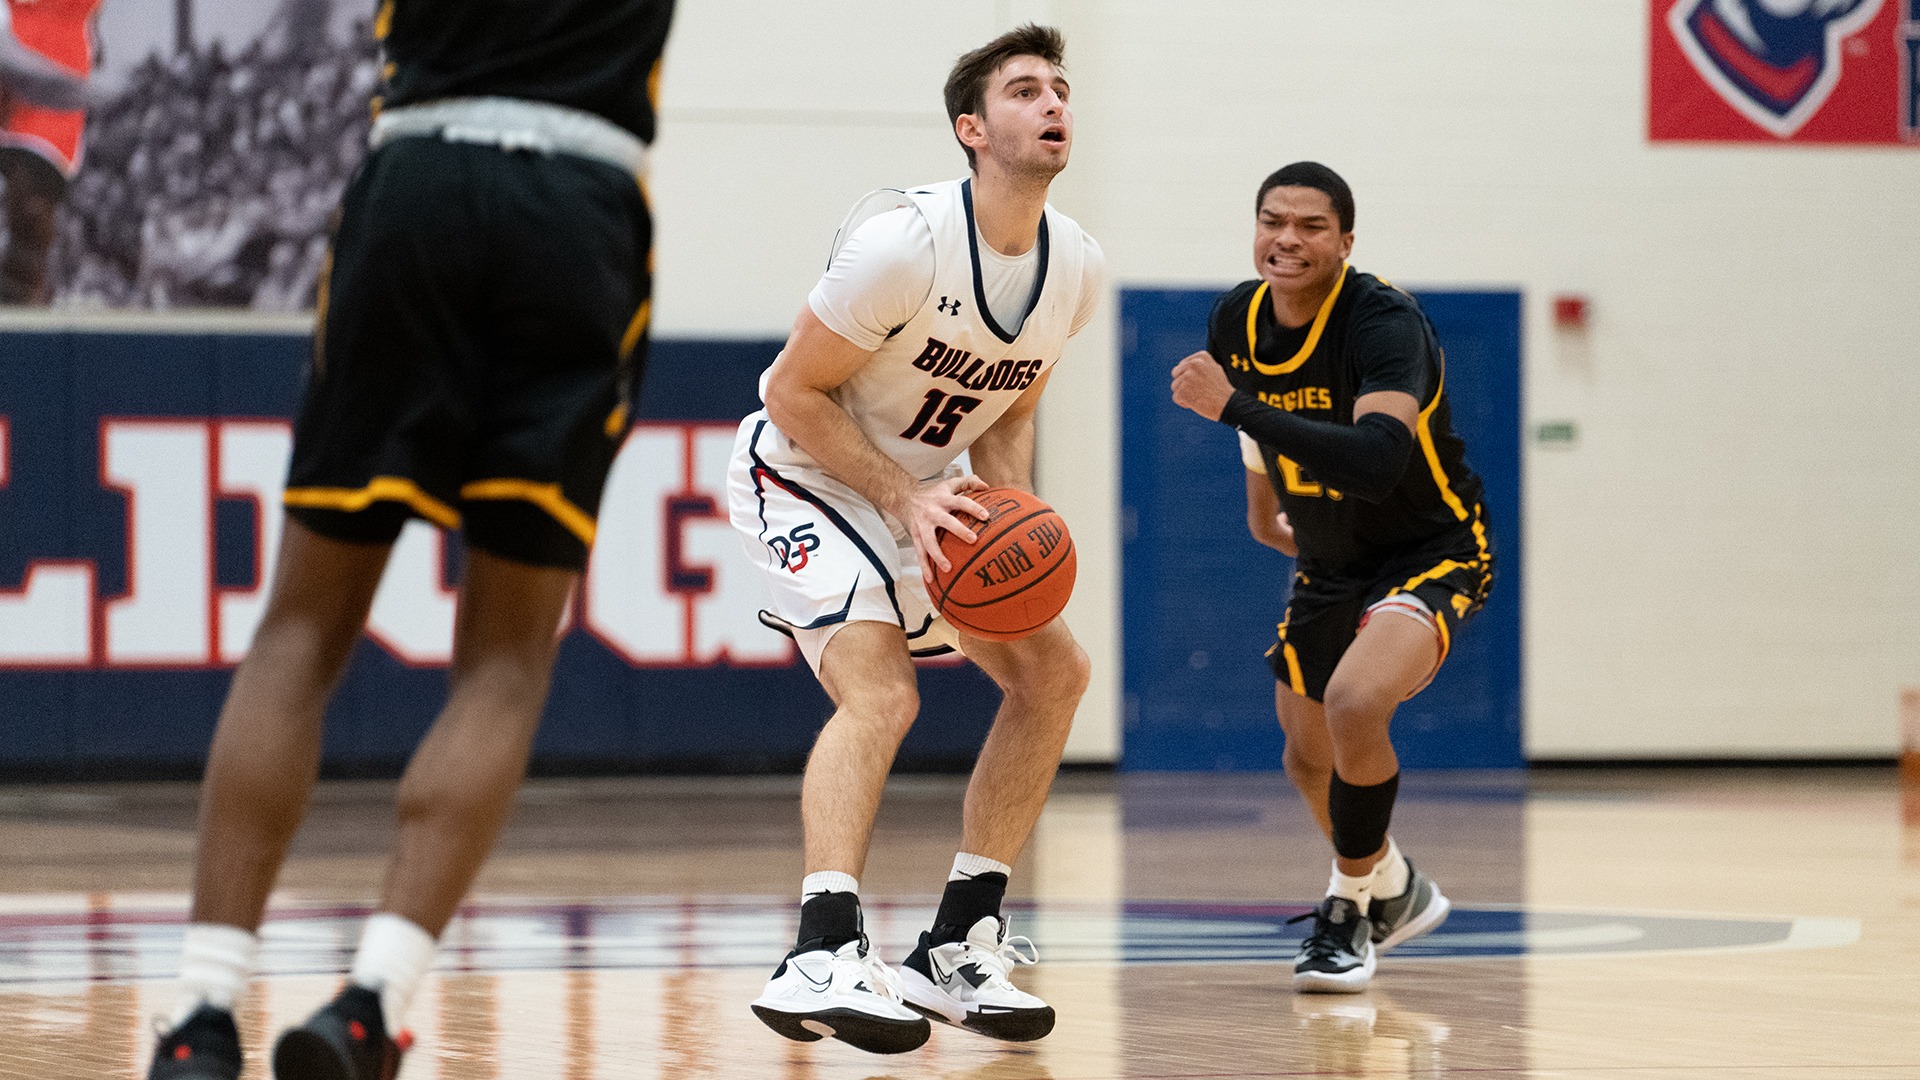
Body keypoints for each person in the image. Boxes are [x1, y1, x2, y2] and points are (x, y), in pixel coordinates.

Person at [144, 2, 674, 1078]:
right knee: (505, 659)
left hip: (418, 183)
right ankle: (370, 1002)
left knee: (299, 629)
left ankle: (203, 1012)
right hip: (578, 206)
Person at [726, 23, 1102, 1055]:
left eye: (1061, 88)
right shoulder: (904, 245)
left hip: (927, 494)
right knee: (882, 693)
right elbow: (789, 393)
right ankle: (822, 951)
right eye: (1025, 90)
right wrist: (902, 497)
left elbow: (1012, 408)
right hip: (804, 476)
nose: (1053, 103)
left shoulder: (1075, 265)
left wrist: (1011, 517)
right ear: (971, 129)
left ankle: (956, 942)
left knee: (1055, 673)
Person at [1169, 162, 1492, 993]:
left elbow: (1379, 461)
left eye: (1311, 226)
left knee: (1354, 703)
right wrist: (1261, 503)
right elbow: (1258, 423)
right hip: (1330, 559)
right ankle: (1394, 883)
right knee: (1306, 754)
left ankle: (1348, 907)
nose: (1288, 239)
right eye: (1272, 221)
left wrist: (1233, 405)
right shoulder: (1238, 318)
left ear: (1346, 241)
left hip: (1429, 547)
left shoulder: (1384, 323)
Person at [0, 0, 97, 305]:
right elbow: (15, 66)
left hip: (46, 125)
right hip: (31, 98)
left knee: (31, 207)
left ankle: (22, 299)